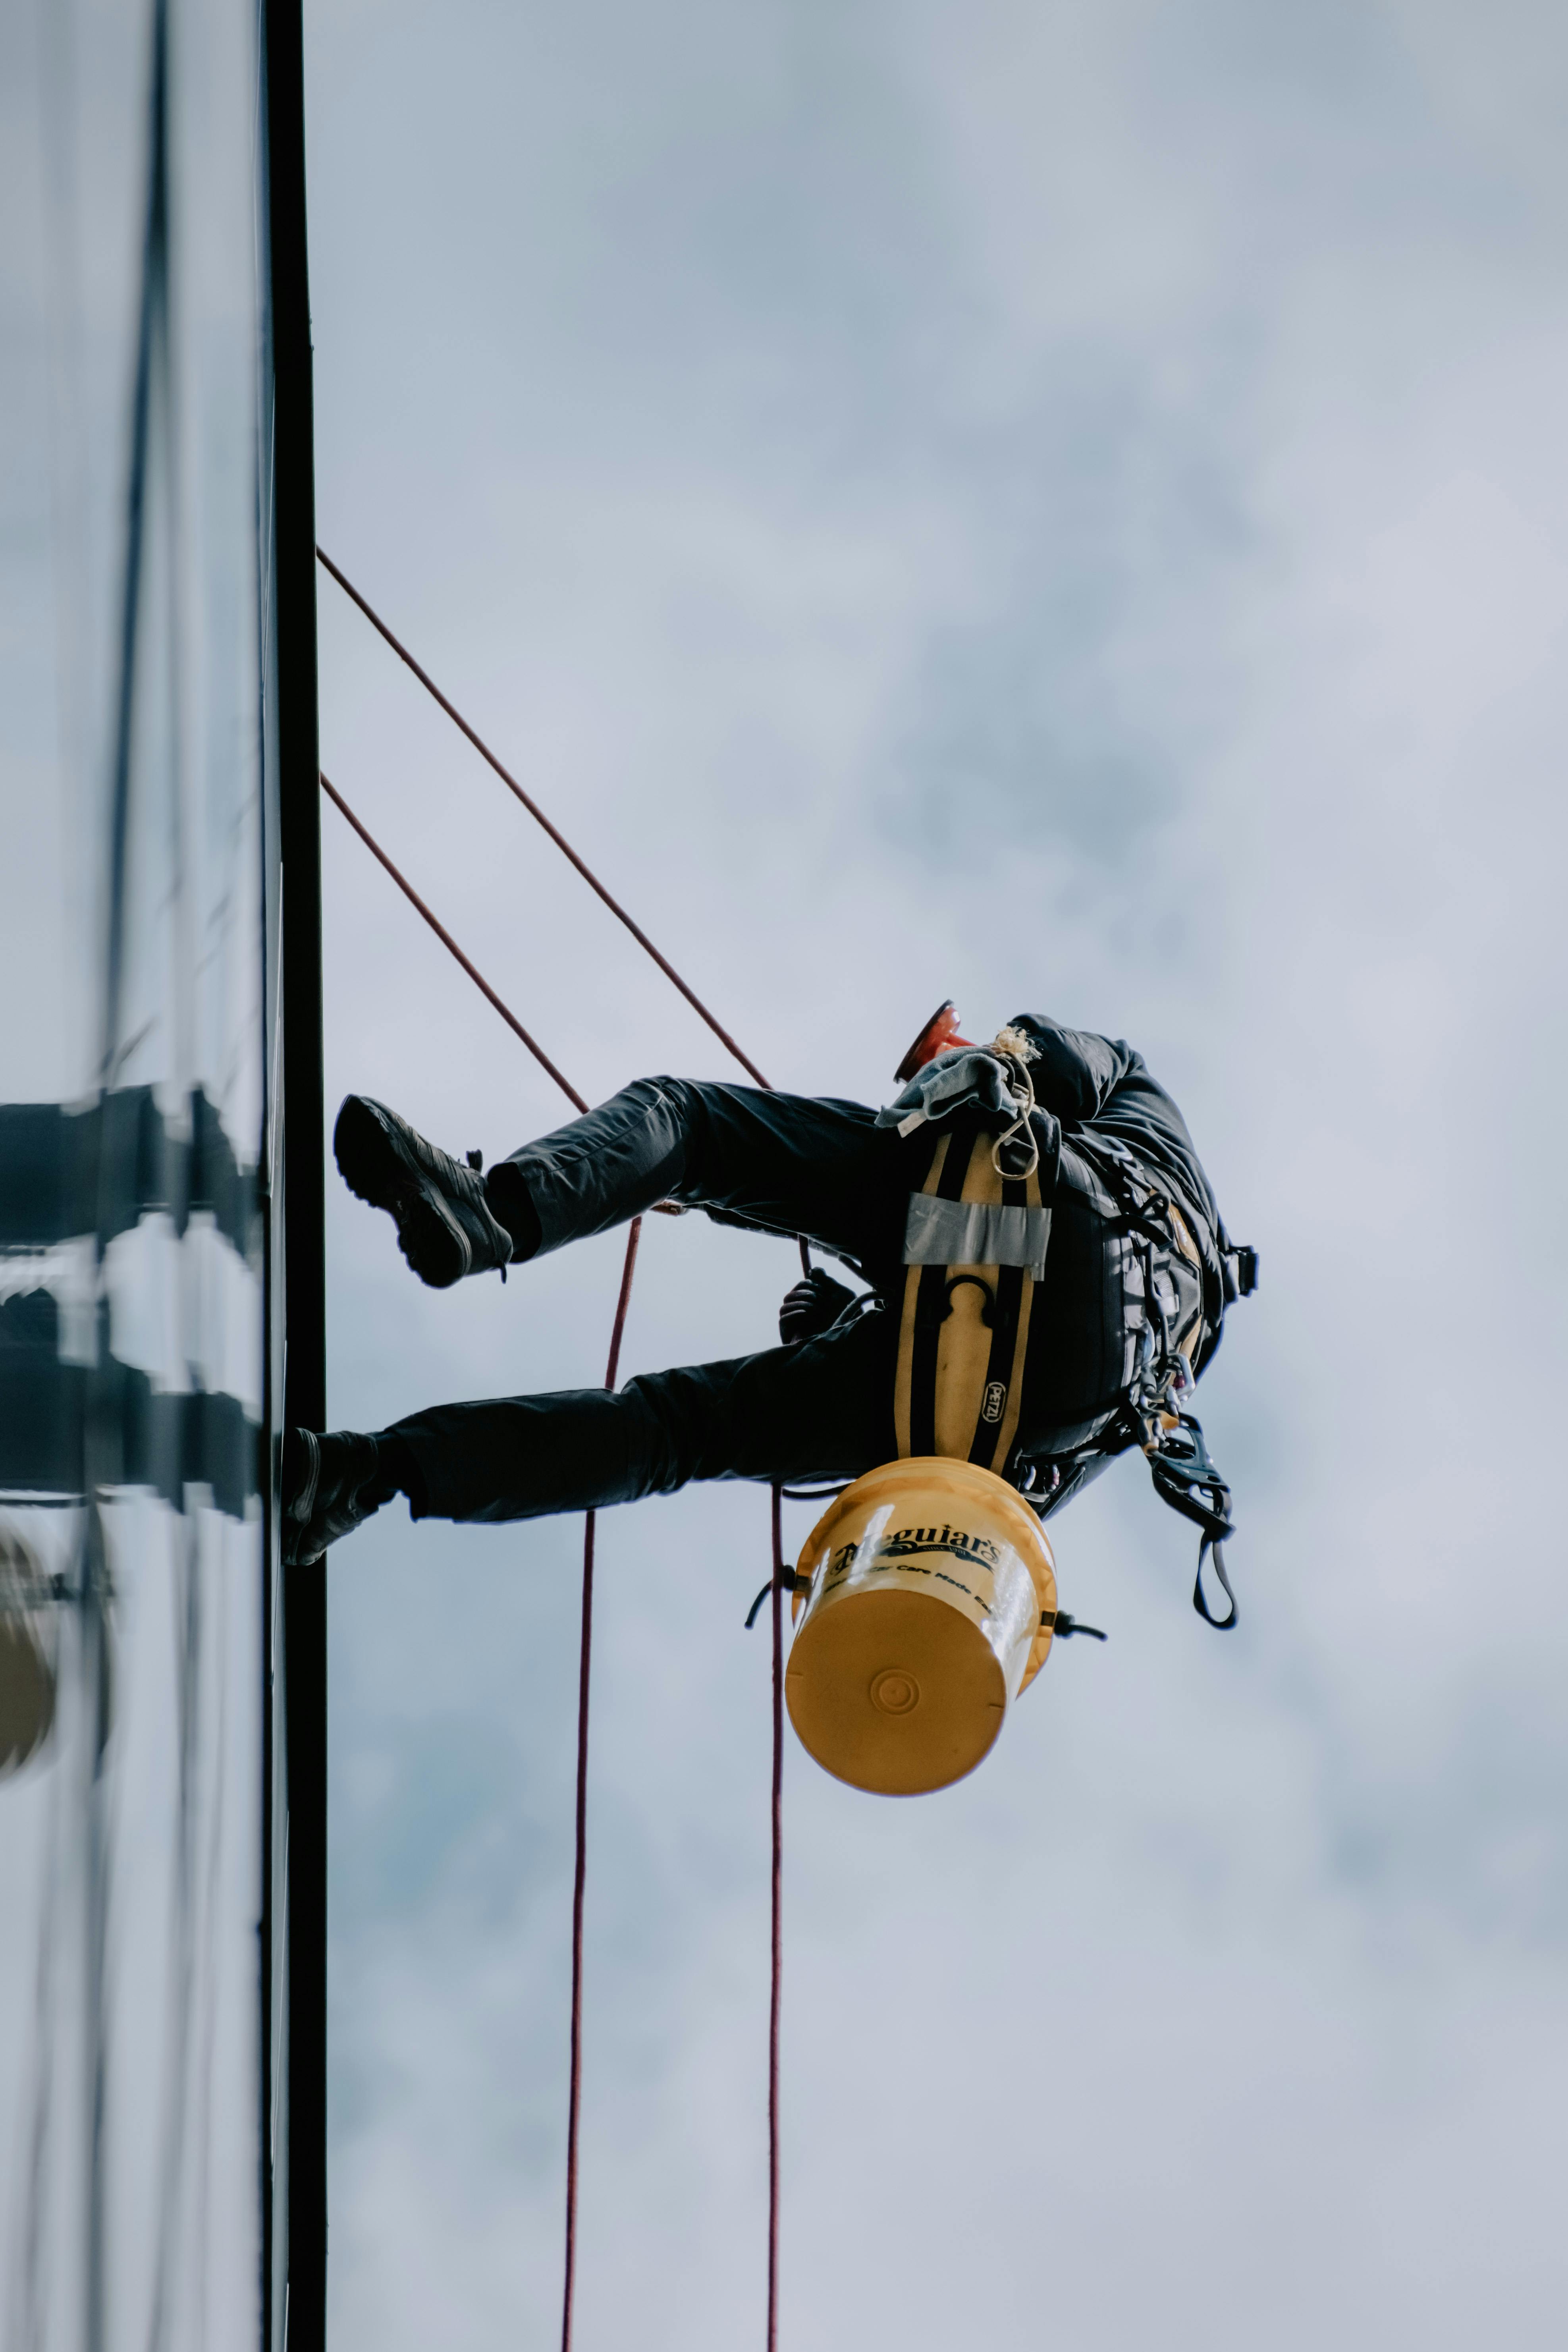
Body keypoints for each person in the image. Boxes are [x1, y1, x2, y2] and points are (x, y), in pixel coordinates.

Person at [281, 1012, 1256, 1617]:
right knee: (673, 1435)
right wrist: (849, 1340)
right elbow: (1006, 1489)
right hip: (1027, 1396)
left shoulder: (1138, 1093)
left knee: (694, 1127)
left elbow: (1020, 1064)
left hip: (1018, 1214)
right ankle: (364, 1477)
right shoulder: (1168, 1374)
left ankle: (493, 1213)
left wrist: (951, 1072)